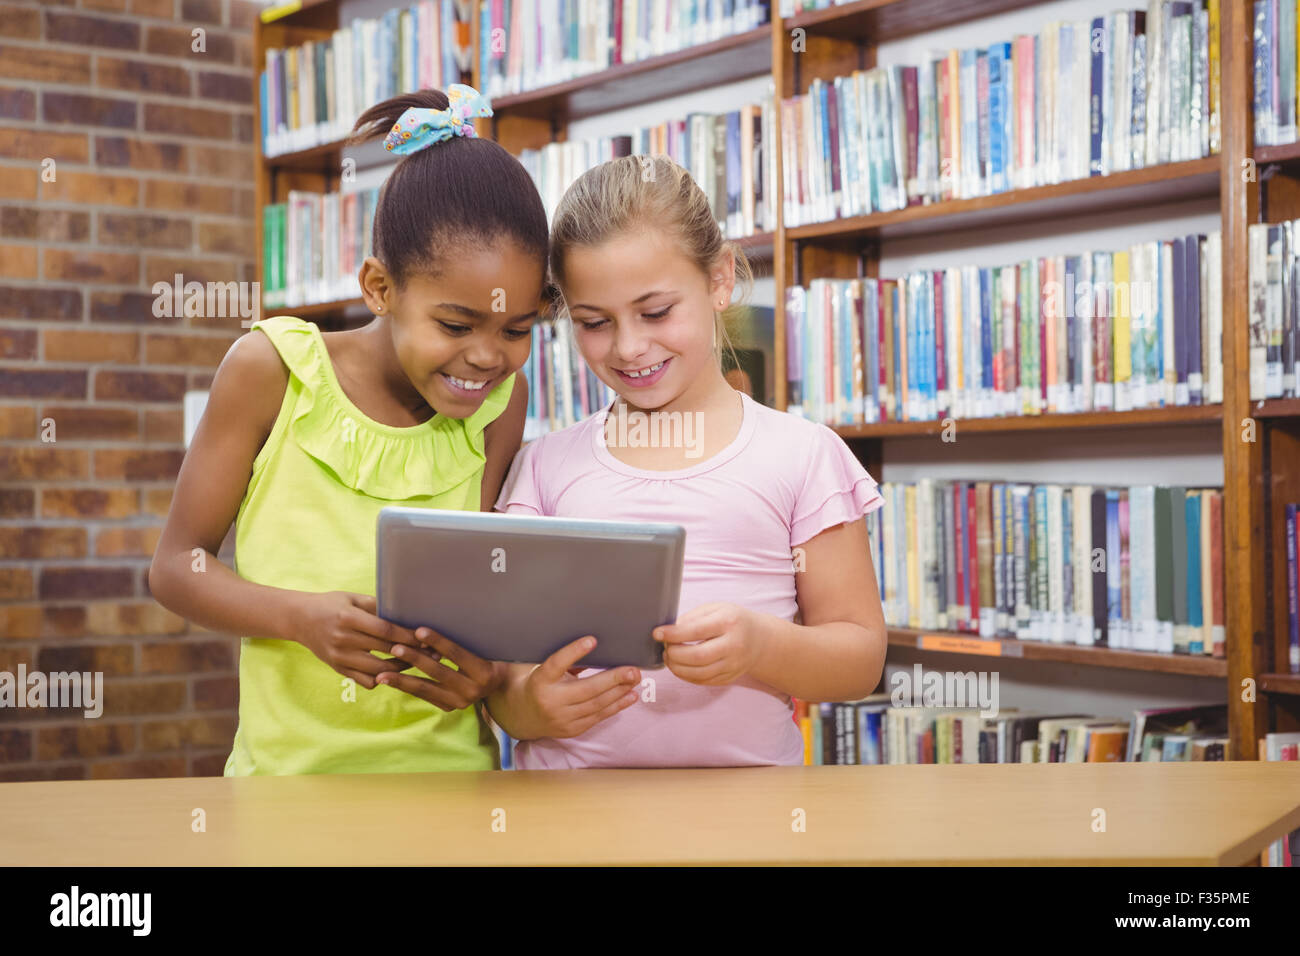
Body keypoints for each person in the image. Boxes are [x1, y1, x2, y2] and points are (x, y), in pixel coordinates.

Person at [148, 85, 549, 775]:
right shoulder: (272, 371)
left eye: (517, 330)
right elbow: (175, 568)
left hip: (454, 788)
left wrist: (483, 673)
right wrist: (299, 619)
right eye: (455, 325)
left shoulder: (498, 401)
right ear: (379, 288)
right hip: (288, 790)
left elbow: (478, 591)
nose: (488, 356)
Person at [485, 155, 888, 768]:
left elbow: (859, 660)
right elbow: (503, 684)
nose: (628, 346)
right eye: (594, 322)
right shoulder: (544, 466)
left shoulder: (803, 455)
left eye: (655, 312)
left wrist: (760, 646)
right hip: (567, 826)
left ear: (720, 279)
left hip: (745, 826)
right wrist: (529, 709)